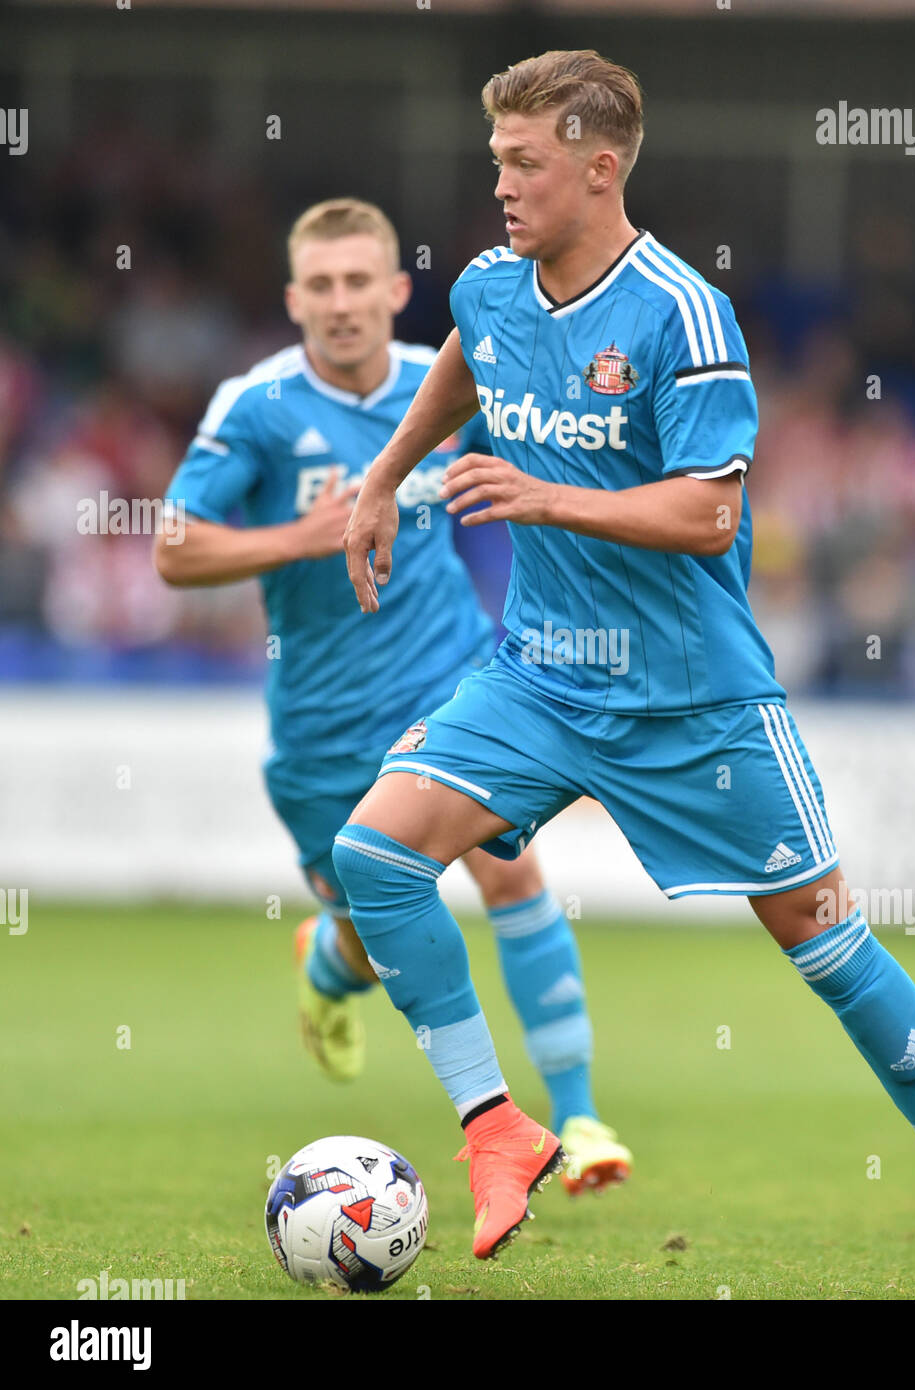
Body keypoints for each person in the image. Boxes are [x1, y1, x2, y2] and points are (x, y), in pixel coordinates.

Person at [336, 52, 915, 1298]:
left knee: (824, 944)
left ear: (599, 167)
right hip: (541, 677)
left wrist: (545, 494)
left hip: (691, 697)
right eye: (495, 160)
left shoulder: (680, 313)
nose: (499, 183)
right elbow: (463, 356)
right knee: (375, 860)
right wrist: (385, 476)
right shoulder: (496, 287)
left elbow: (711, 514)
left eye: (523, 162)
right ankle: (497, 1127)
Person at [153, 197, 632, 1196]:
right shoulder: (258, 407)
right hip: (322, 727)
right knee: (371, 940)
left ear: (396, 290)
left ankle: (581, 1115)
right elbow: (176, 546)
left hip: (448, 683)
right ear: (293, 299)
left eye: (358, 281)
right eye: (319, 286)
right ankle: (330, 966)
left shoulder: (444, 386)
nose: (340, 303)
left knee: (512, 875)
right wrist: (298, 537)